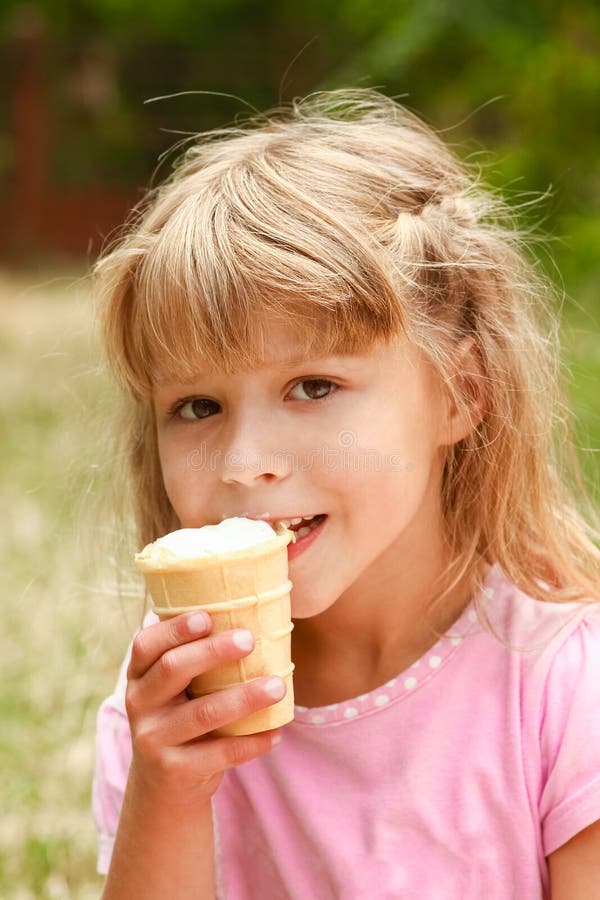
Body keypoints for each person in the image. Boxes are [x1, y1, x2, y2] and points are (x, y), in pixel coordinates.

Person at [92, 89, 600, 899]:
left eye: (313, 386)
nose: (245, 463)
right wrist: (169, 794)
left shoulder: (565, 686)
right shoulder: (174, 700)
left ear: (459, 392)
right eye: (197, 406)